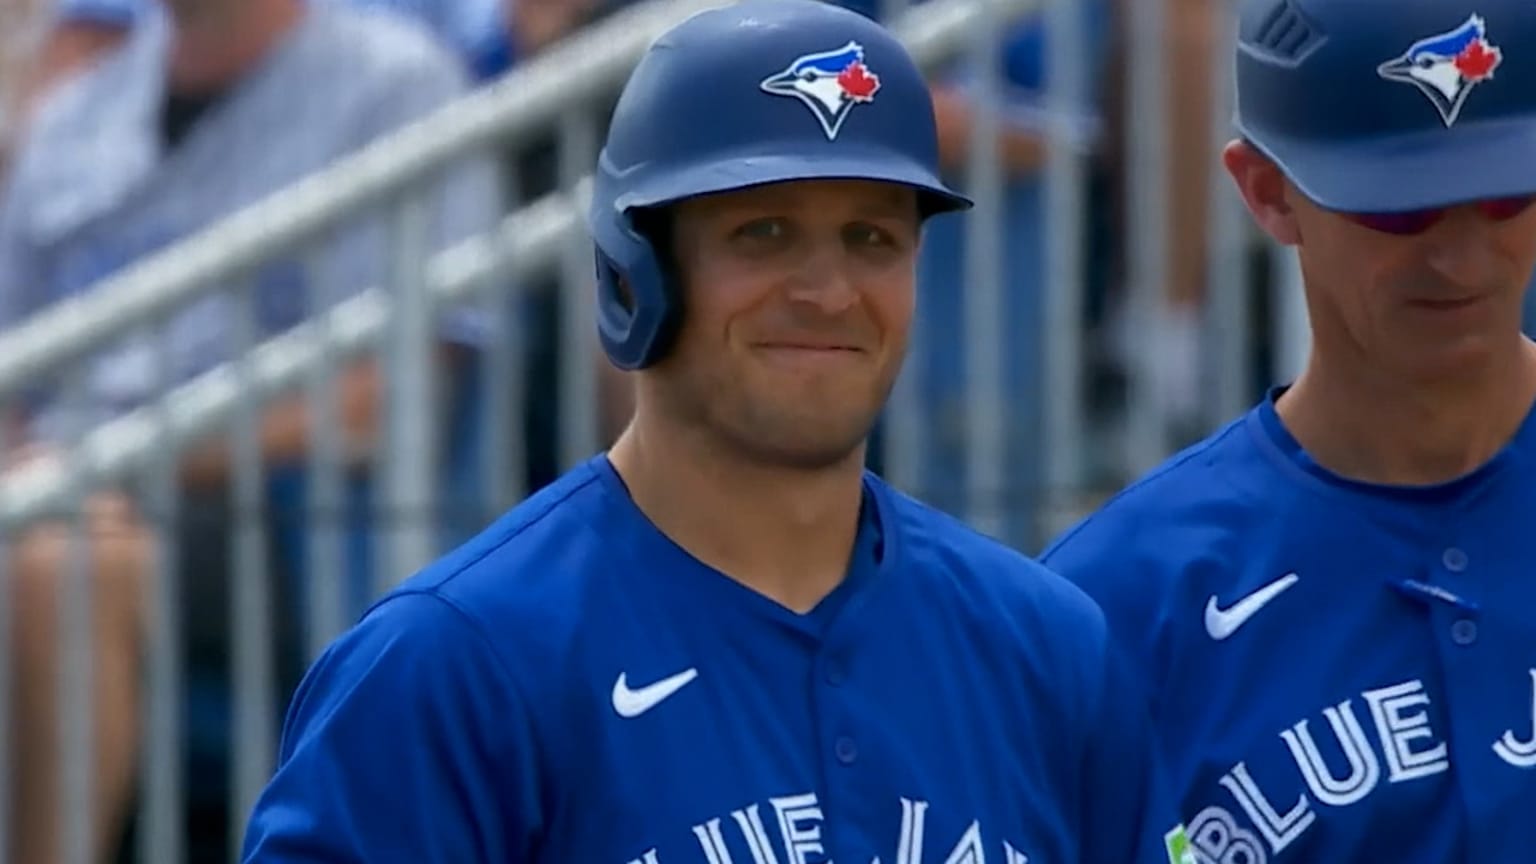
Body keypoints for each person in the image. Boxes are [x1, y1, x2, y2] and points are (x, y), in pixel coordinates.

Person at [240, 2, 1191, 862]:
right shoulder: (453, 668)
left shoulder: (1049, 648)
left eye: (872, 238)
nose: (828, 292)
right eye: (763, 233)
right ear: (633, 274)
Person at [0, 0, 499, 859]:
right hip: (54, 480)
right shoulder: (80, 108)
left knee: (63, 559)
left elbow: (375, 401)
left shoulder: (395, 83)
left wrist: (116, 465)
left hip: (274, 513)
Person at [1040, 0, 1536, 861]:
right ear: (1267, 191)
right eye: (1398, 210)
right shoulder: (1119, 603)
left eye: (1505, 196)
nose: (1460, 257)